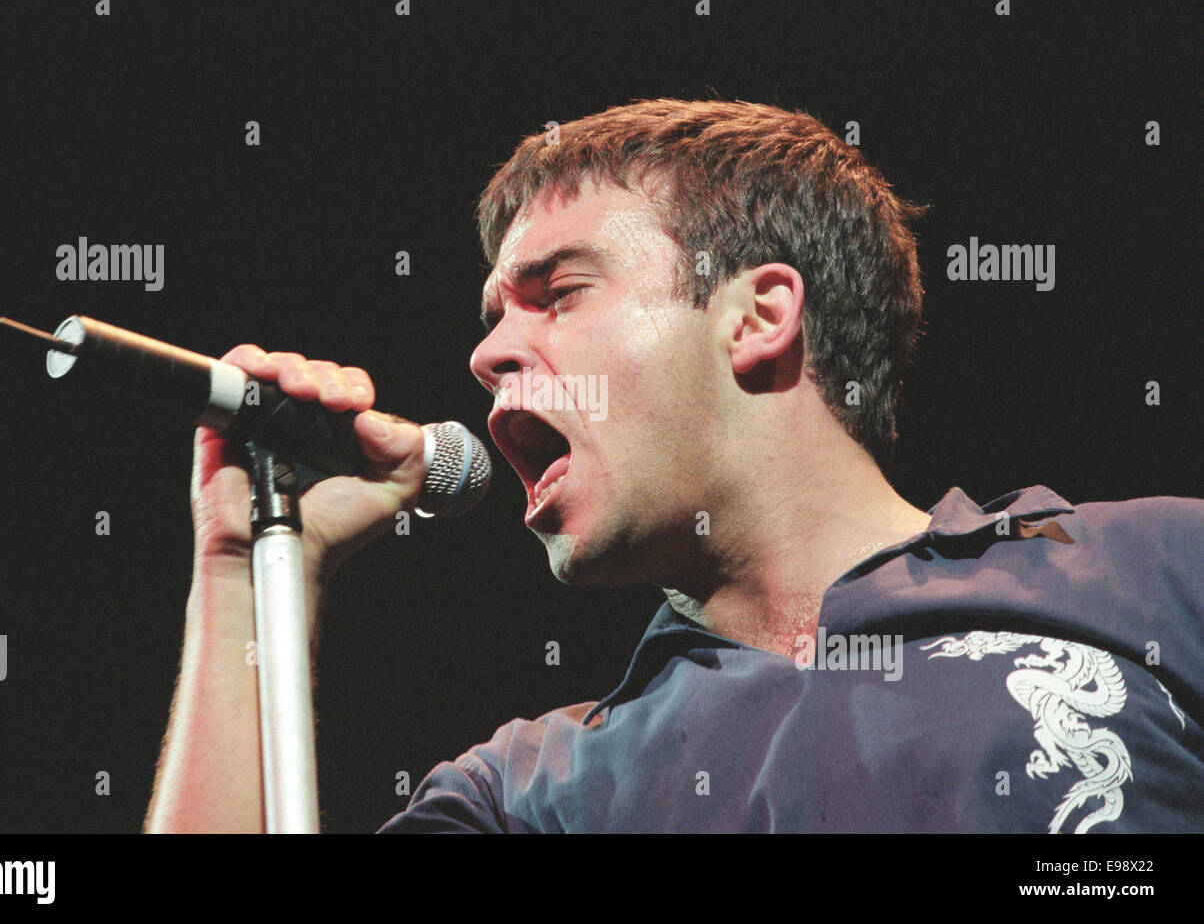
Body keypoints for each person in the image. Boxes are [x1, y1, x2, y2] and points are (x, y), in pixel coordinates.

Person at [145, 99, 1203, 834]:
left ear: (757, 315)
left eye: (557, 291)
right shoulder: (534, 790)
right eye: (490, 315)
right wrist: (242, 571)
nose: (484, 354)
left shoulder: (1149, 569)